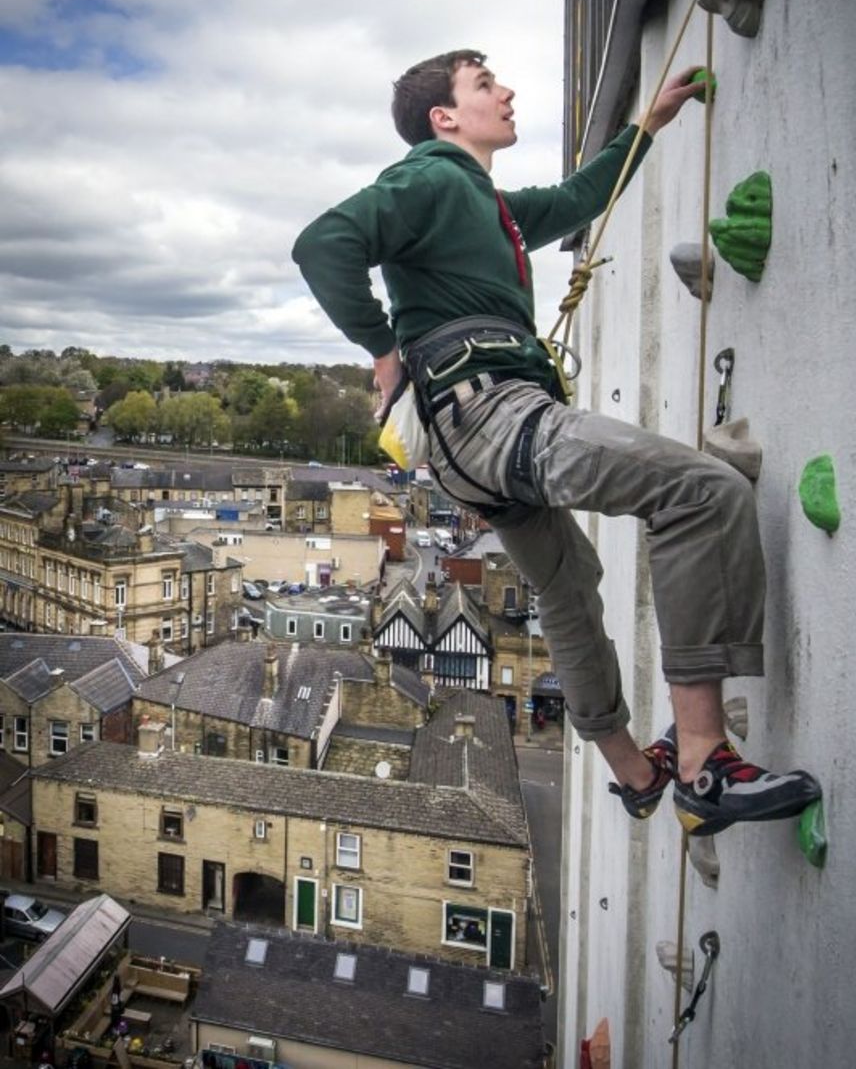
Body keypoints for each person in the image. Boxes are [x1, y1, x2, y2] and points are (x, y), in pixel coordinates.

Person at [293, 49, 820, 836]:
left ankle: (635, 771)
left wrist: (644, 127)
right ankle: (706, 759)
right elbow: (323, 244)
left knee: (570, 585)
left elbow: (577, 199)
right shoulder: (432, 178)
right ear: (444, 118)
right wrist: (382, 346)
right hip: (492, 414)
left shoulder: (489, 208)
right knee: (701, 491)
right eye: (484, 85)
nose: (505, 91)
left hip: (471, 447)